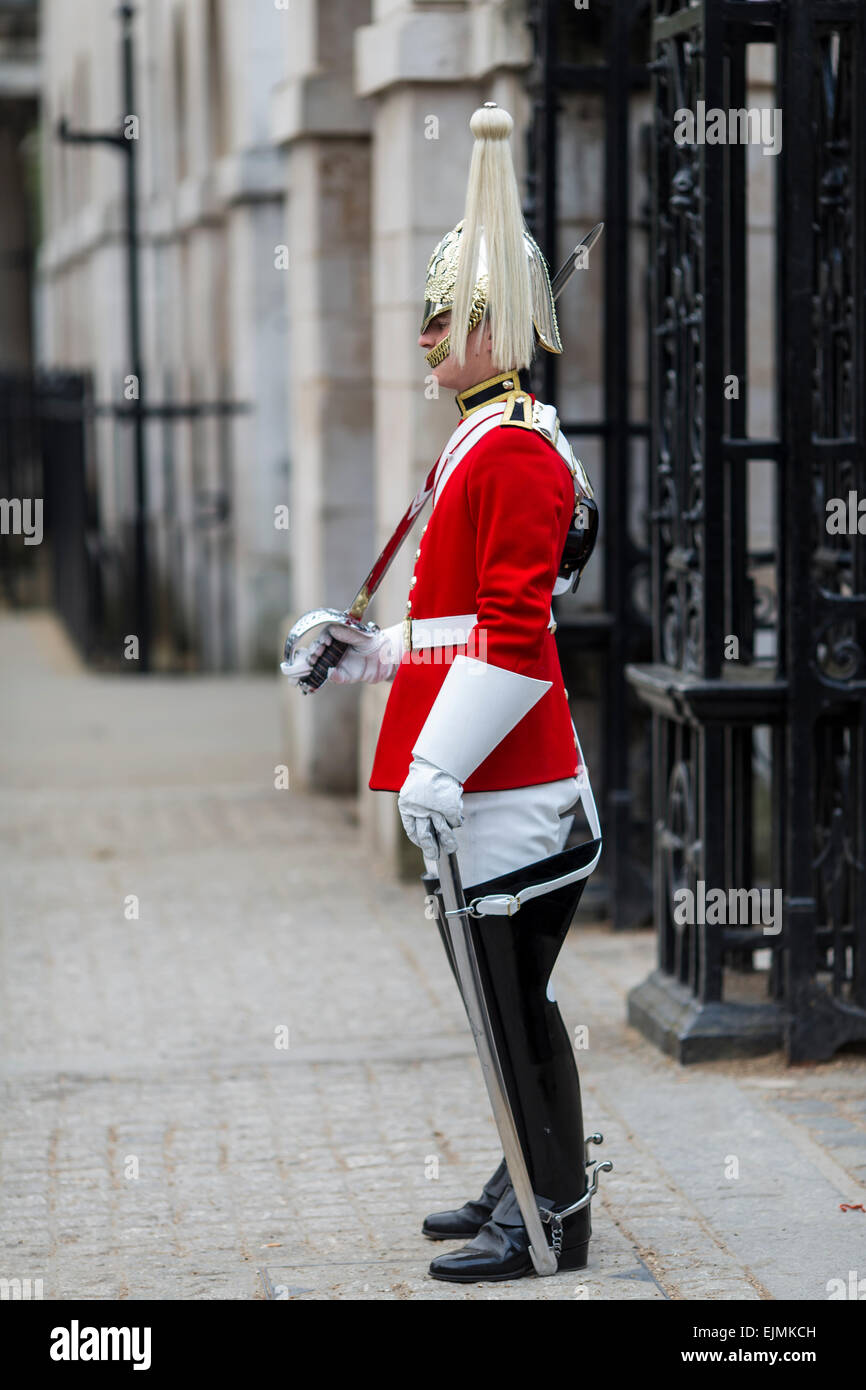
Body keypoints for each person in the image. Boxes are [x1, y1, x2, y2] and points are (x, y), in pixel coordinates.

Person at [284, 102, 605, 1282]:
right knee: (501, 1006)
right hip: (488, 784)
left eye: (447, 315)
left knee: (510, 1005)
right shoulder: (483, 438)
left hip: (510, 790)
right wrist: (361, 652)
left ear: (500, 325)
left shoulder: (515, 447)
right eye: (424, 314)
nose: (425, 334)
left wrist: (436, 766)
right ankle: (523, 1170)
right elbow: (458, 625)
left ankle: (552, 1213)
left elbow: (517, 639)